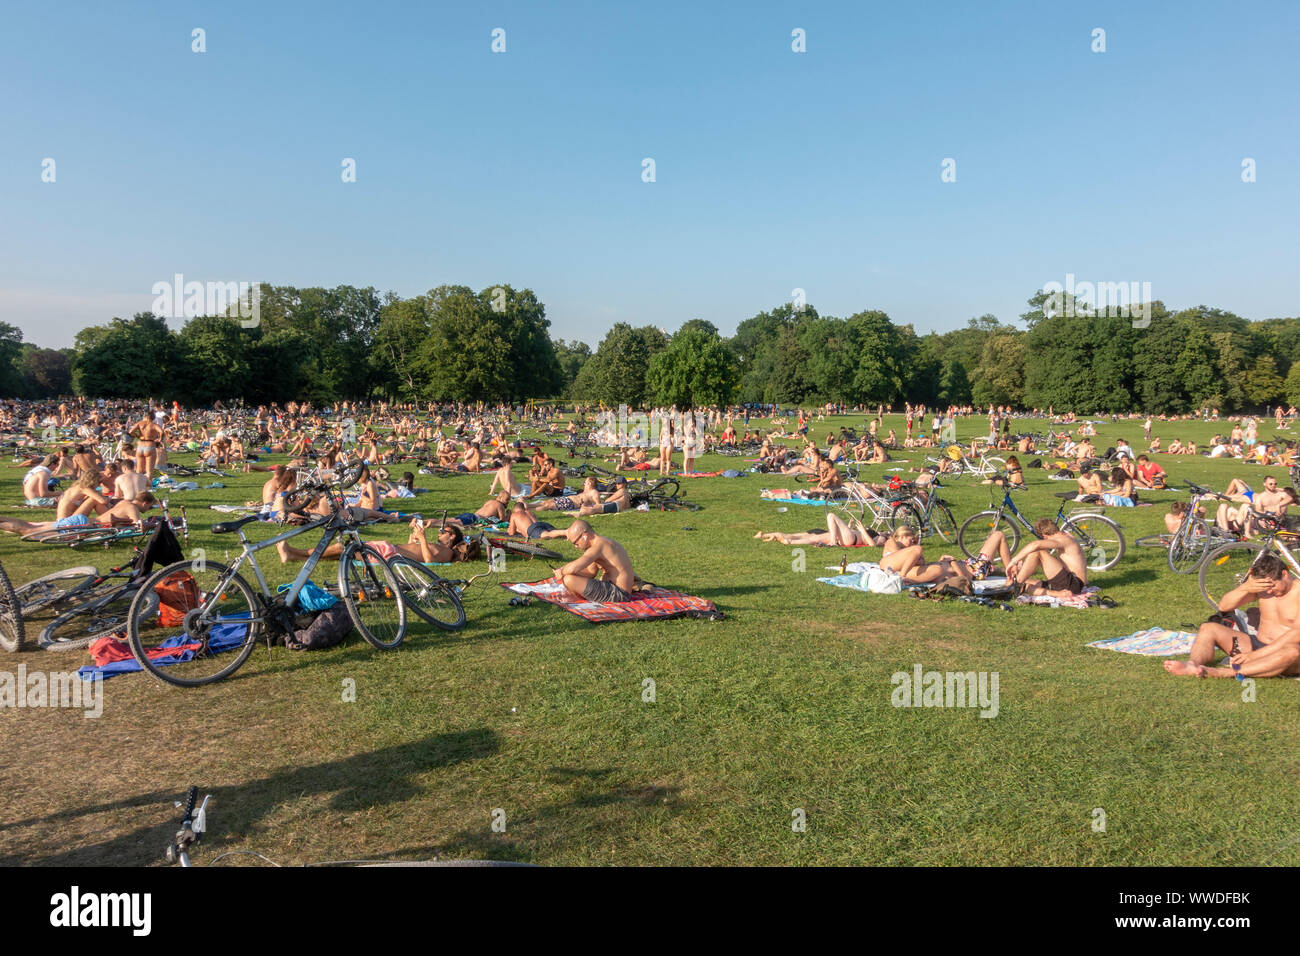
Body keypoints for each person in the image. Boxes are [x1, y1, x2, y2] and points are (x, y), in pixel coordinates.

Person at [1163, 555, 1300, 679]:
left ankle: (1227, 673)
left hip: (1286, 652)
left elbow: (1295, 634)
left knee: (1293, 652)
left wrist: (1253, 656)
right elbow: (1224, 606)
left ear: (1285, 574)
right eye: (1266, 586)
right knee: (1208, 628)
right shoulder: (1263, 588)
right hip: (1256, 645)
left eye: (1273, 585)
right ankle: (1192, 664)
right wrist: (1245, 587)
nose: (1269, 591)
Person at [555, 519, 644, 603]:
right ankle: (577, 596)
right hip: (617, 590)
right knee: (569, 577)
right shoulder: (602, 543)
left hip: (619, 594)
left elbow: (573, 568)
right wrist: (567, 572)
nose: (576, 546)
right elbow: (591, 572)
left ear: (584, 536)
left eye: (575, 543)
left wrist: (562, 571)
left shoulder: (597, 547)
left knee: (569, 580)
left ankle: (576, 598)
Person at [1007, 519, 1088, 599]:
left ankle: (1017, 584)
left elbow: (1036, 545)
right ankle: (1015, 583)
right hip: (1070, 583)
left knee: (1038, 551)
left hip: (1074, 584)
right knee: (1027, 583)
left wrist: (1013, 561)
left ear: (1044, 536)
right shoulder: (1066, 536)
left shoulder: (1064, 540)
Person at [754, 511, 888, 547]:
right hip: (850, 537)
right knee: (812, 538)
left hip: (852, 539)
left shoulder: (882, 537)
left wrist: (863, 530)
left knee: (831, 515)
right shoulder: (881, 534)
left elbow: (872, 545)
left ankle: (833, 542)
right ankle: (783, 539)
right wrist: (850, 526)